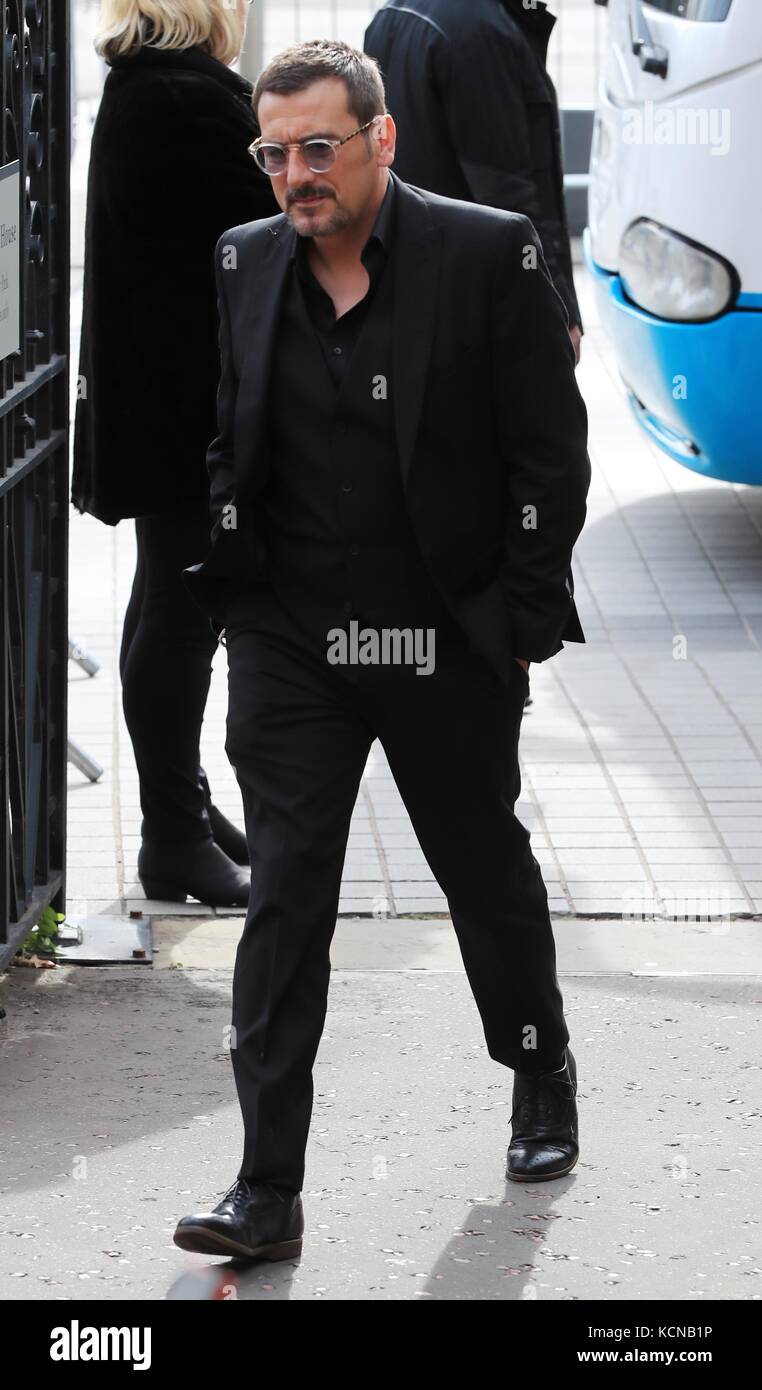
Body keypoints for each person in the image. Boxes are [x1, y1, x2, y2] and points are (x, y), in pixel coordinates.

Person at [174, 39, 590, 1261]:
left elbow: (548, 453)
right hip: (291, 636)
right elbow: (228, 430)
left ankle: (540, 1063)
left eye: (318, 147)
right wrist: (231, 563)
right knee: (287, 895)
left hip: (441, 630)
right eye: (275, 152)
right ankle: (267, 1188)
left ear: (382, 139)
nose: (294, 174)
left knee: (480, 868)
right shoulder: (244, 260)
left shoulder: (482, 250)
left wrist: (514, 614)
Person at [71, 0, 278, 907]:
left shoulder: (148, 87)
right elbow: (269, 231)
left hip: (159, 400)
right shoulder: (183, 100)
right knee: (181, 611)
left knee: (166, 601)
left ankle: (183, 812)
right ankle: (171, 837)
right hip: (184, 406)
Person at [364, 0, 583, 364]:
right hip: (478, 304)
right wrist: (555, 308)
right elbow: (508, 194)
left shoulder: (392, 14)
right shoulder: (478, 29)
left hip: (419, 286)